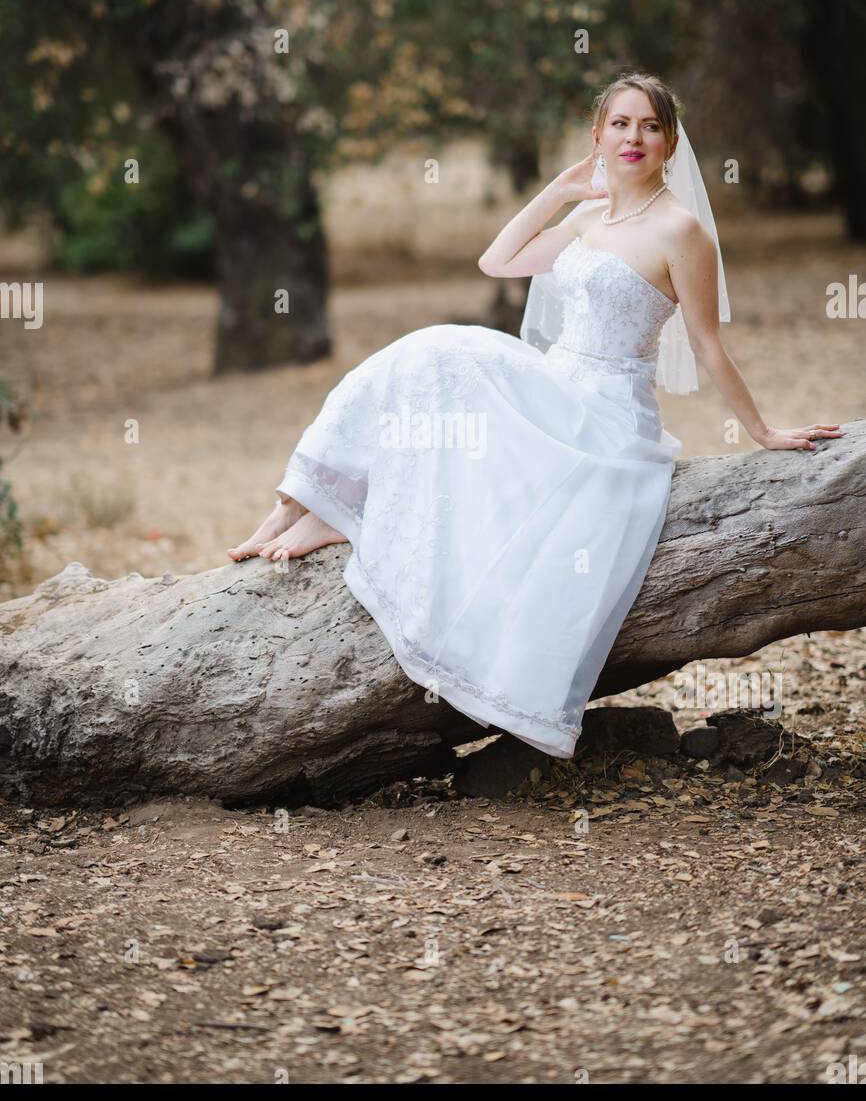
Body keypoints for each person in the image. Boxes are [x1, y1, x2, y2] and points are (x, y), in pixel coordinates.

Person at [228, 72, 844, 758]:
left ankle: (337, 514)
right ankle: (309, 501)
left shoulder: (682, 230)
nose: (633, 138)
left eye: (648, 126)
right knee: (426, 361)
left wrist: (763, 431)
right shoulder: (590, 218)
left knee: (440, 352)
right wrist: (559, 191)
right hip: (557, 386)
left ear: (671, 142)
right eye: (619, 124)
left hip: (607, 415)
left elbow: (706, 344)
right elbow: (499, 260)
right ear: (597, 136)